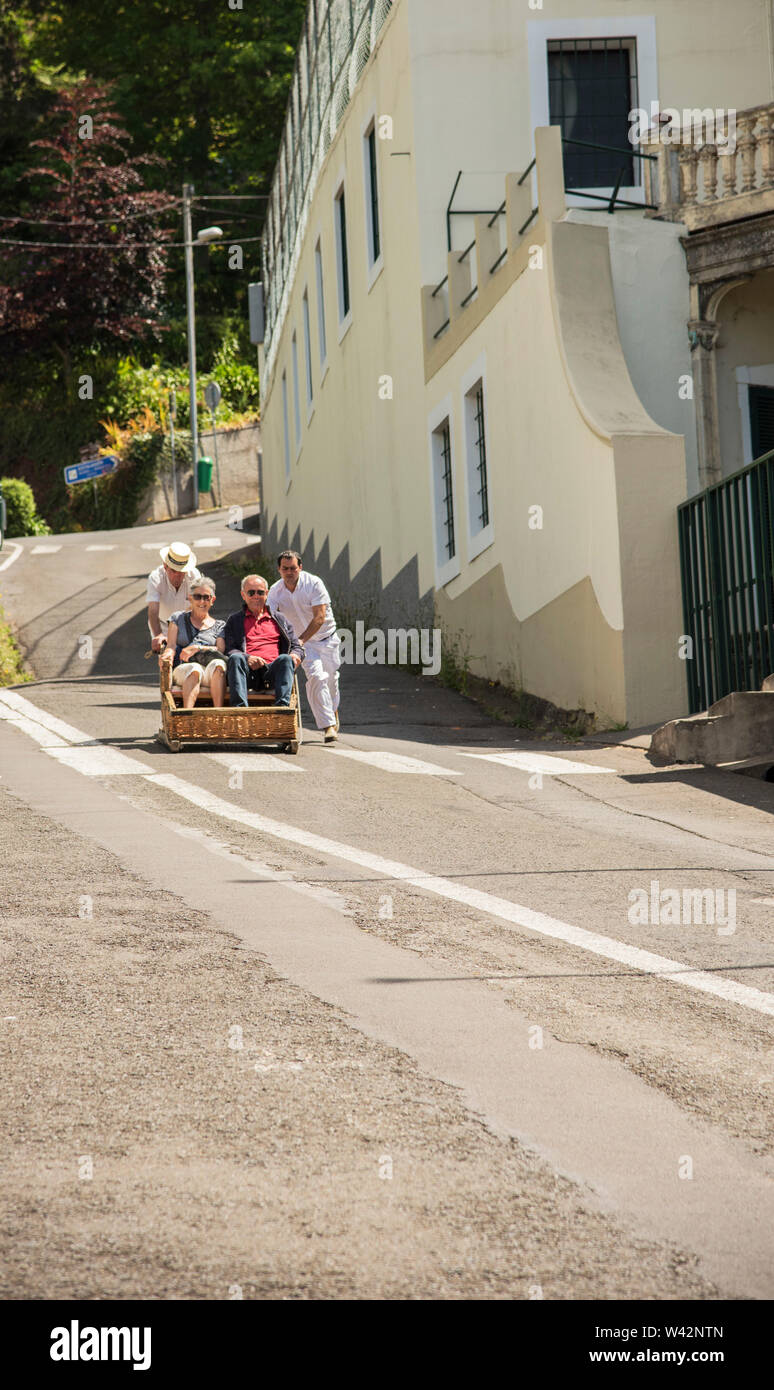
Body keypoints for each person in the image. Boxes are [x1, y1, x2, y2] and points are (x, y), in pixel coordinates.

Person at [267, 550, 341, 743]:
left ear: (300, 567)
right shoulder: (275, 591)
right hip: (304, 645)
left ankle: (332, 711)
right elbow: (269, 618)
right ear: (279, 570)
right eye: (285, 569)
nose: (289, 572)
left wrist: (301, 639)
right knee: (316, 677)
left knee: (331, 680)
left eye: (293, 568)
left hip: (327, 638)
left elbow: (319, 617)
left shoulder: (314, 583)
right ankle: (328, 726)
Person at [223, 574, 303, 708]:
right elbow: (229, 649)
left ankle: (282, 710)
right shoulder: (234, 620)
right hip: (247, 672)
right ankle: (240, 710)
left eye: (260, 592)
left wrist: (296, 655)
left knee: (286, 659)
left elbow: (297, 646)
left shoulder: (280, 619)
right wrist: (247, 658)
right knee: (236, 658)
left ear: (266, 594)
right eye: (251, 592)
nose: (256, 596)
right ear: (243, 595)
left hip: (272, 671)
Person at [160, 577, 227, 708]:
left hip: (209, 670)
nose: (202, 601)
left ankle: (218, 713)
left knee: (219, 664)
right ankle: (187, 715)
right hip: (183, 668)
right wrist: (166, 654)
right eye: (197, 596)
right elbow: (171, 645)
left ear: (212, 600)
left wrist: (198, 648)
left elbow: (220, 649)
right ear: (190, 598)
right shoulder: (177, 618)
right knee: (194, 668)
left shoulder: (220, 625)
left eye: (206, 597)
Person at [146, 542, 202, 653]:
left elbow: (199, 608)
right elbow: (153, 611)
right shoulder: (156, 577)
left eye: (181, 572)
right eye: (173, 571)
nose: (177, 576)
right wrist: (158, 636)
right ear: (165, 566)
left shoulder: (195, 576)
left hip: (187, 624)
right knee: (167, 661)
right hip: (162, 625)